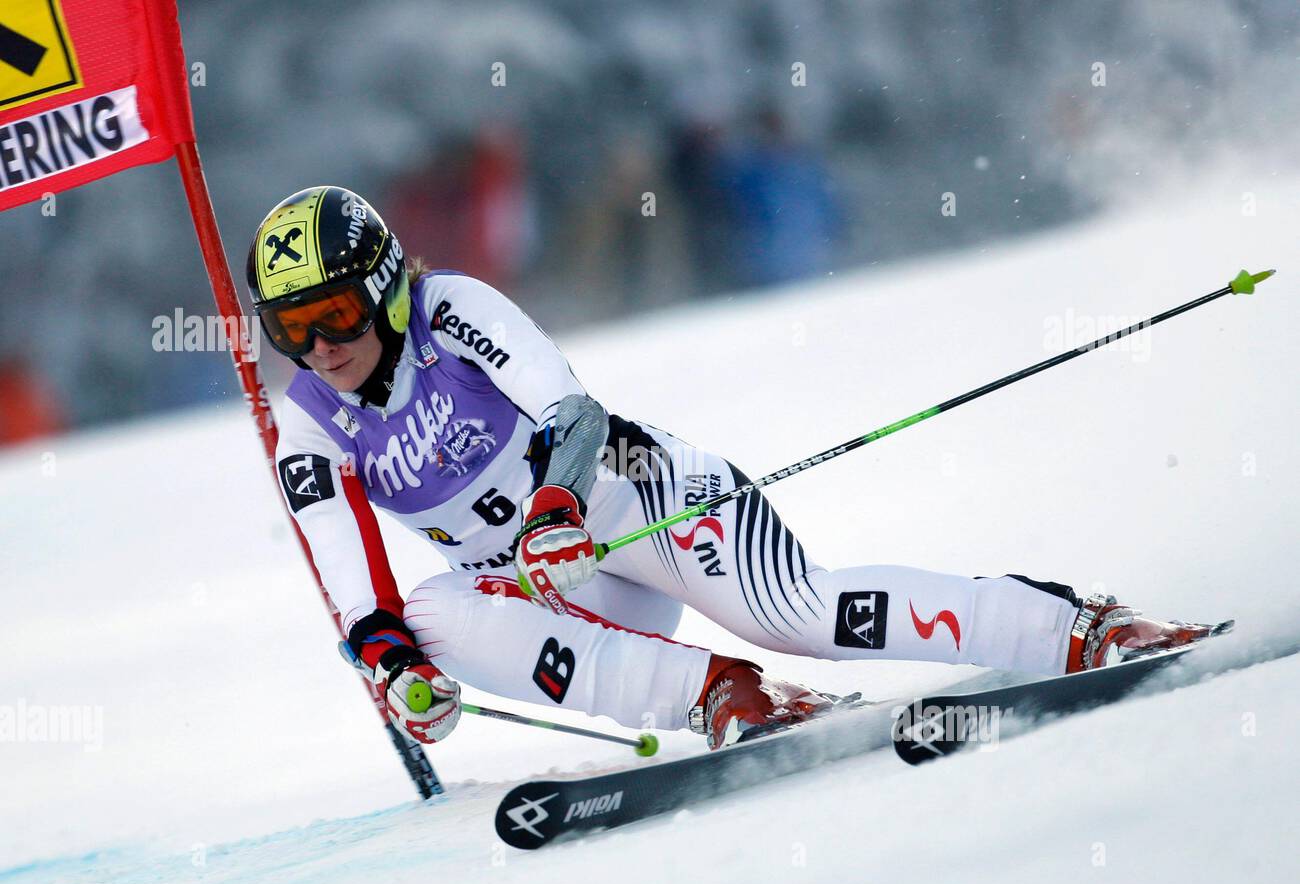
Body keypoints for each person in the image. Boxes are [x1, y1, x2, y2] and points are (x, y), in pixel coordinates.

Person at [248, 186, 1213, 751]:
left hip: (632, 491)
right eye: (292, 329)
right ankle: (723, 696)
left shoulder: (451, 310)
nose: (320, 346)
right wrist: (393, 671)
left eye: (333, 314)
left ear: (380, 289)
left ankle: (1079, 626)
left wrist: (555, 502)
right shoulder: (312, 424)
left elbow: (567, 406)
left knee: (802, 615)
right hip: (554, 582)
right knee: (432, 617)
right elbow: (349, 579)